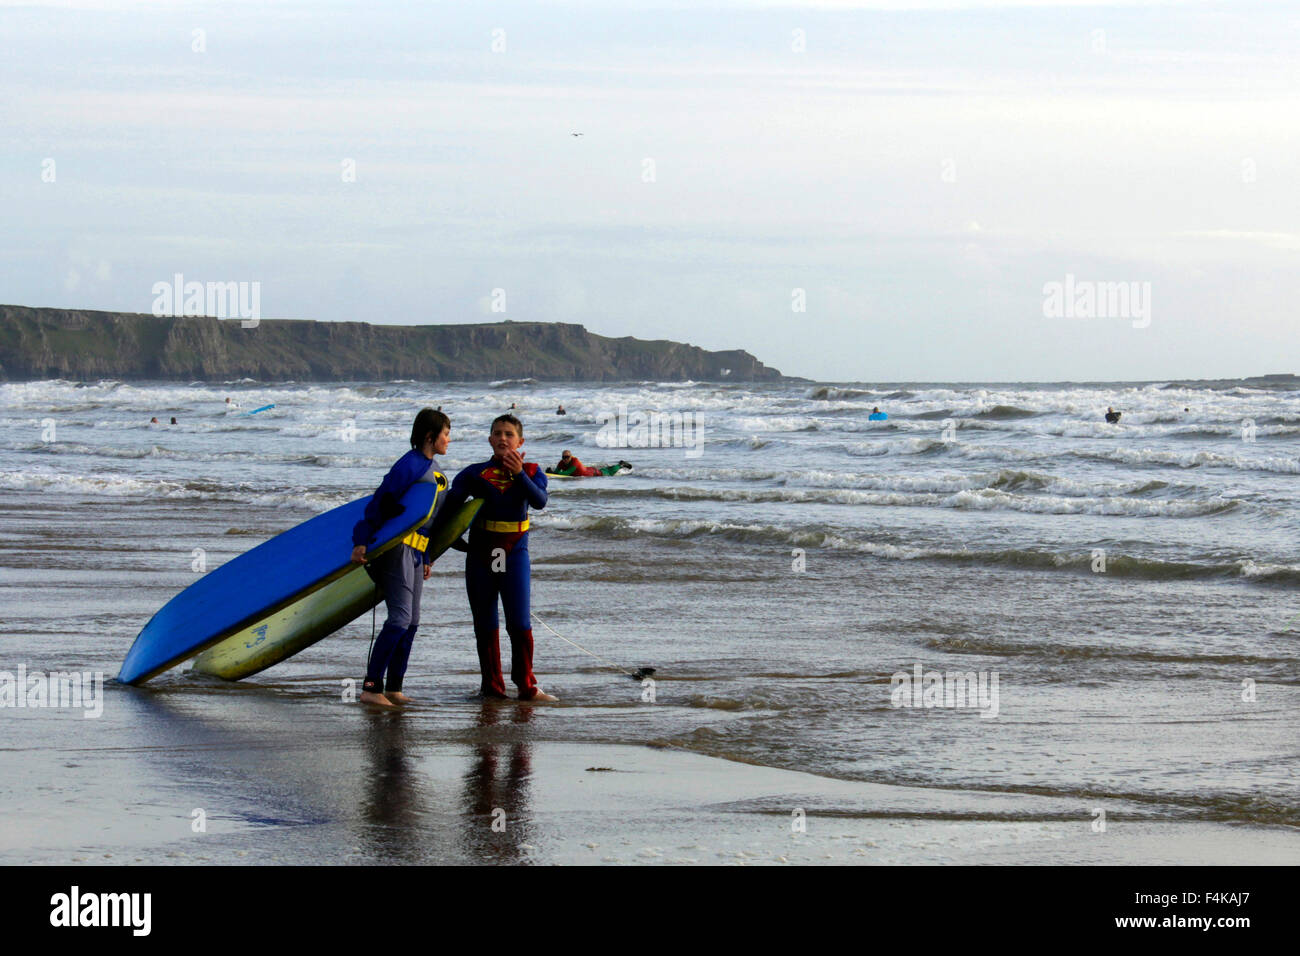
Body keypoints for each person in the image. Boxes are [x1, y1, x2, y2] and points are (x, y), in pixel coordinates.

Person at [437, 415, 557, 702]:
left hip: (514, 553)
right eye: (497, 433)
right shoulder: (473, 473)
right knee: (485, 622)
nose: (503, 438)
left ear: (520, 441)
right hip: (481, 553)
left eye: (509, 434)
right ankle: (491, 687)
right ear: (490, 439)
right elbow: (448, 510)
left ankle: (526, 685)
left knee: (518, 622)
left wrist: (519, 475)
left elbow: (540, 501)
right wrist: (448, 543)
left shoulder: (532, 470)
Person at [350, 408, 452, 709]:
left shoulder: (432, 468)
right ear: (430, 437)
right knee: (400, 619)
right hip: (397, 551)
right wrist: (361, 541)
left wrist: (428, 555)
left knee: (412, 622)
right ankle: (371, 687)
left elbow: (425, 518)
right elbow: (380, 502)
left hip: (417, 552)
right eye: (446, 434)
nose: (449, 440)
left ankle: (394, 687)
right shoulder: (409, 465)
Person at [552, 450, 630, 477]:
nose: (565, 459)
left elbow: (567, 473)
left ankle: (621, 465)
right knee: (606, 469)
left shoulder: (575, 461)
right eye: (563, 457)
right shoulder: (561, 462)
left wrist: (557, 472)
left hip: (593, 473)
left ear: (571, 456)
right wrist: (552, 472)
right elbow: (556, 472)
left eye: (567, 457)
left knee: (609, 472)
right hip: (587, 470)